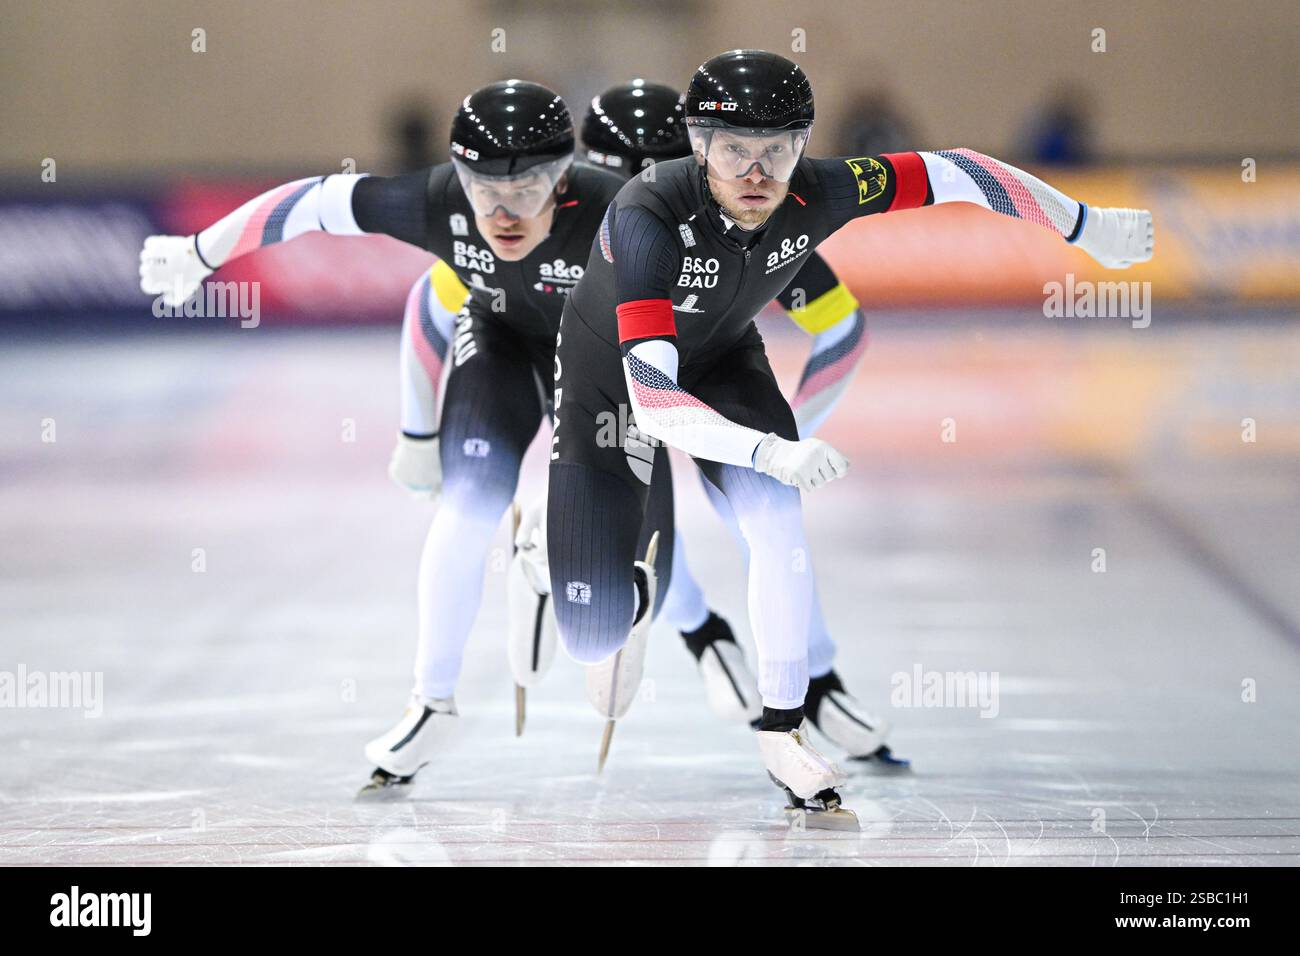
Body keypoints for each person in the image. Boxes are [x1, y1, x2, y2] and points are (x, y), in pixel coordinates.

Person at [546, 49, 1154, 825]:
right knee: (591, 628)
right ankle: (601, 582)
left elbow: (960, 171)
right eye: (734, 149)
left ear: (805, 145)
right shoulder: (644, 216)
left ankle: (783, 727)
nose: (758, 172)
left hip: (725, 361)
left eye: (779, 149)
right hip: (616, 380)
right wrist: (773, 448)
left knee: (775, 521)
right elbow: (656, 403)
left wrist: (1083, 225)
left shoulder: (822, 191)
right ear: (697, 146)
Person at [138, 80, 670, 796]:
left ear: (565, 177)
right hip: (503, 350)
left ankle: (549, 566)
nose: (505, 211)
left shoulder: (616, 209)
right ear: (459, 174)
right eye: (484, 186)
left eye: (531, 185)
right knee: (467, 506)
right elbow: (314, 208)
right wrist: (202, 252)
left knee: (608, 629)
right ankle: (433, 702)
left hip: (601, 367)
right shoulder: (434, 202)